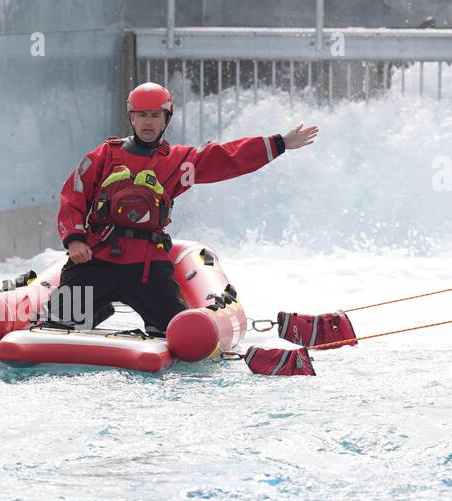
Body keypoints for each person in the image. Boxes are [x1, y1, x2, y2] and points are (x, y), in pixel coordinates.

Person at [50, 81, 318, 334]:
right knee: (55, 325)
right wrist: (74, 240)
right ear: (131, 118)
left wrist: (279, 143)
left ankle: (134, 315)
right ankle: (97, 310)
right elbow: (73, 196)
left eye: (156, 115)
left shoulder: (180, 161)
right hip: (98, 258)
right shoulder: (105, 155)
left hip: (146, 266)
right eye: (141, 114)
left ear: (166, 119)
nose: (148, 122)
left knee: (176, 333)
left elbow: (228, 157)